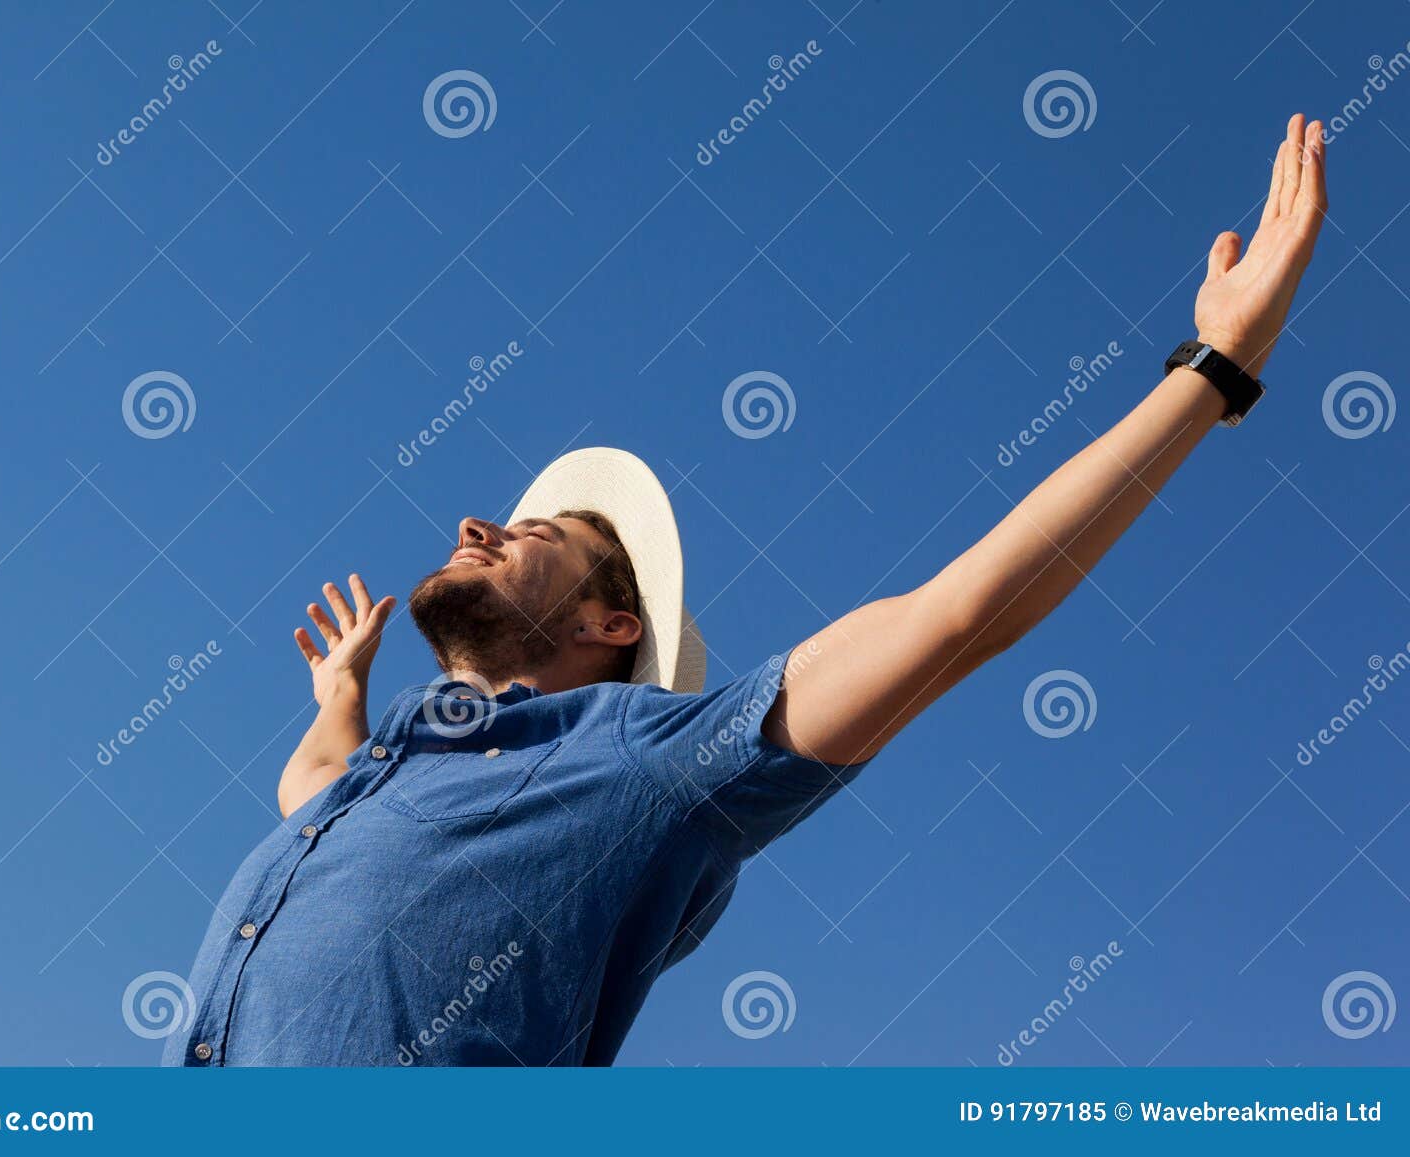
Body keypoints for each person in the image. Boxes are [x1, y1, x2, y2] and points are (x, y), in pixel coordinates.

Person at [165, 114, 1328, 1066]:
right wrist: (340, 696)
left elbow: (955, 616)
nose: (475, 524)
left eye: (528, 533)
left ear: (606, 625)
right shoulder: (378, 775)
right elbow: (308, 786)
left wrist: (1211, 371)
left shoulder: (635, 758)